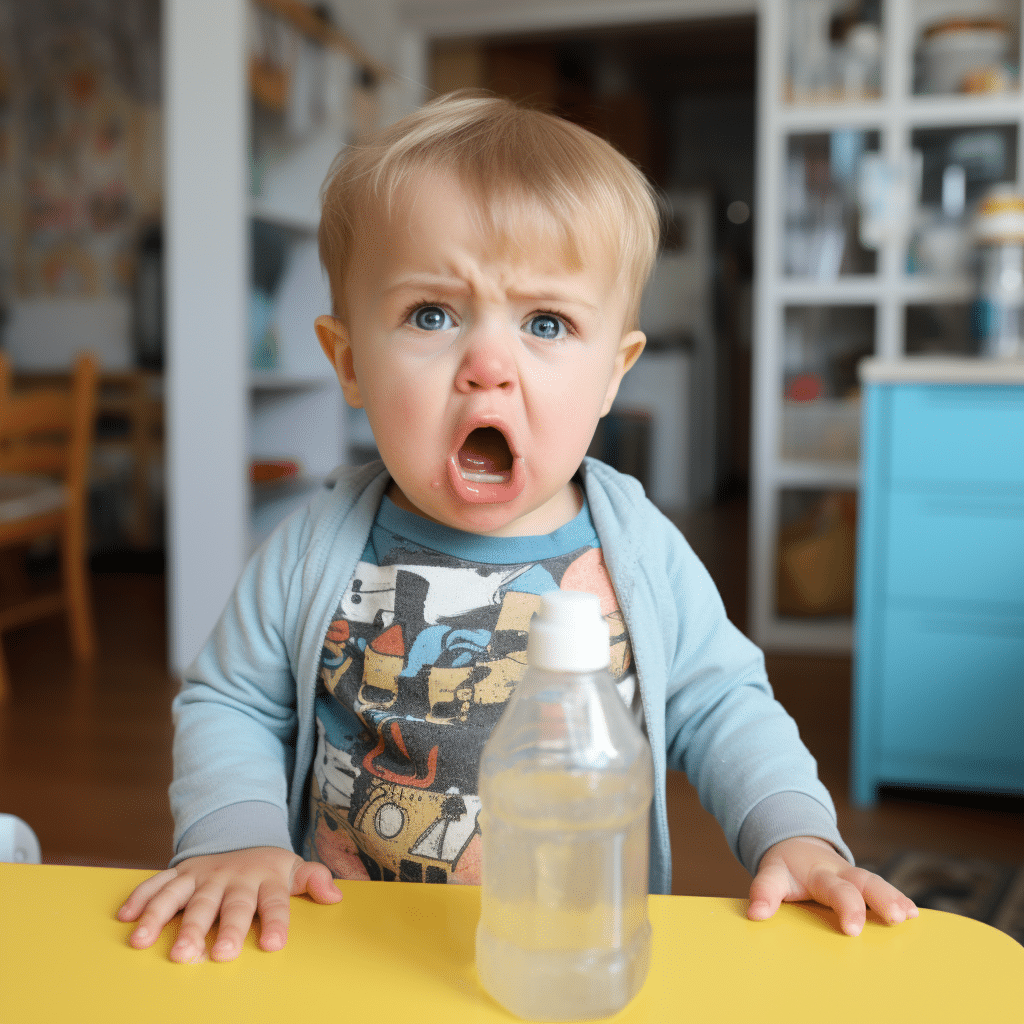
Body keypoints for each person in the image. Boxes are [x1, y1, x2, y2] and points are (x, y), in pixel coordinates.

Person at [118, 91, 917, 964]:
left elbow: (724, 705)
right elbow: (232, 701)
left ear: (613, 376)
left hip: (567, 949)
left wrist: (794, 832)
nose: (488, 366)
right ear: (349, 362)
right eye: (432, 315)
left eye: (546, 323)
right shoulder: (315, 550)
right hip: (346, 943)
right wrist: (234, 838)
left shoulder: (636, 551)